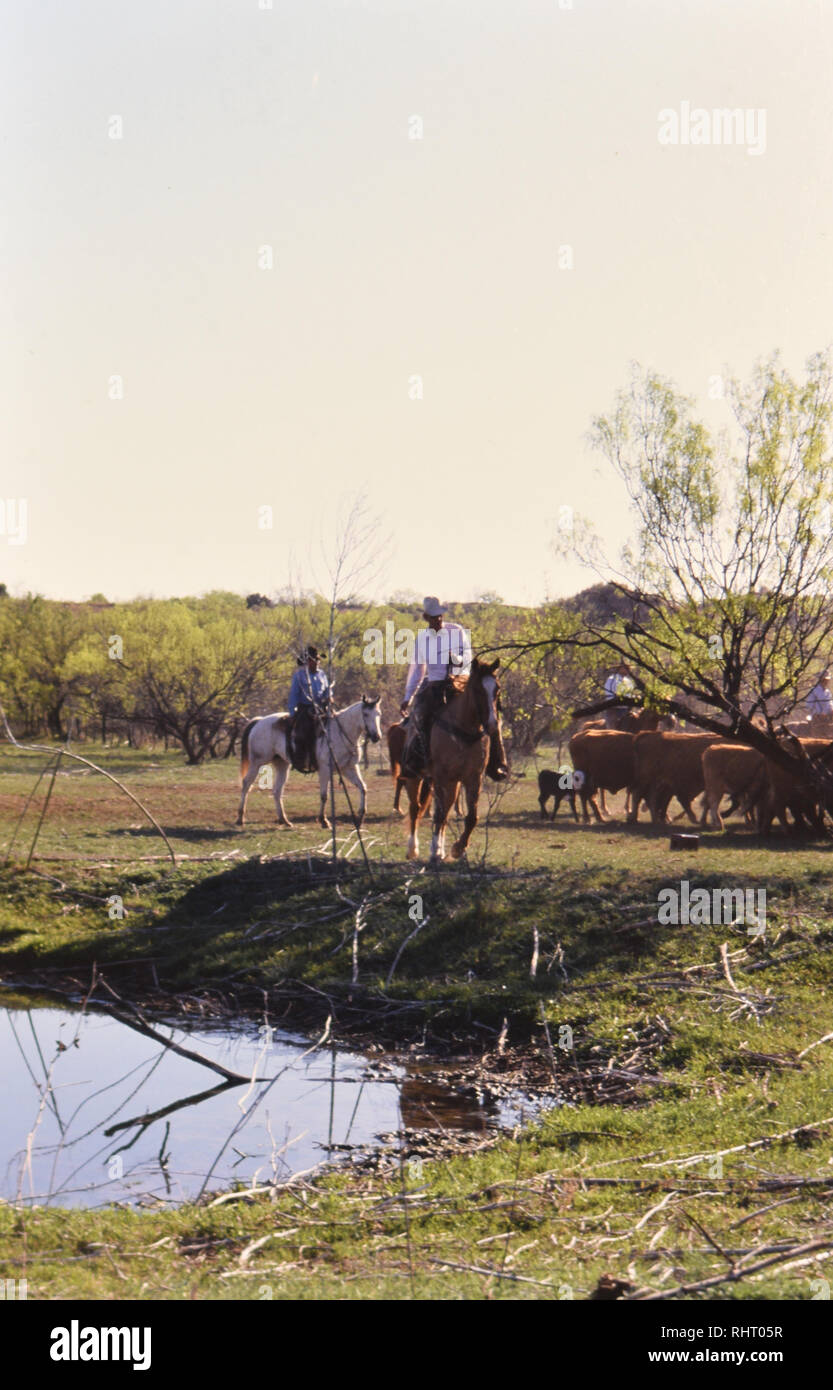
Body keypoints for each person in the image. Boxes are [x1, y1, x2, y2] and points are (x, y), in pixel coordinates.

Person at [399, 596, 508, 780]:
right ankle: (418, 760)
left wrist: (455, 660)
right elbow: (417, 669)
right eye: (434, 617)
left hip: (460, 682)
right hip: (434, 685)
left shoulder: (457, 631)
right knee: (420, 716)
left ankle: (496, 762)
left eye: (440, 615)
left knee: (489, 710)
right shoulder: (422, 639)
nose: (438, 619)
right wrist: (407, 696)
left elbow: (468, 657)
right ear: (426, 617)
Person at [288, 646, 330, 772]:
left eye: (318, 660)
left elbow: (327, 690)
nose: (317, 663)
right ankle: (303, 759)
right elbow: (293, 695)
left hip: (322, 708)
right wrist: (292, 713)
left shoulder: (322, 675)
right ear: (307, 662)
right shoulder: (299, 676)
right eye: (314, 660)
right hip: (305, 709)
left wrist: (329, 697)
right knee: (306, 731)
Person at [603, 663, 635, 729]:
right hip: (614, 709)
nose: (627, 670)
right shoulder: (612, 679)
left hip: (625, 709)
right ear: (619, 668)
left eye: (628, 668)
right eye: (625, 668)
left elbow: (630, 694)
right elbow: (609, 694)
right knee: (613, 728)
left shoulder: (628, 681)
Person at [806, 669, 833, 736]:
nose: (826, 681)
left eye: (827, 680)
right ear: (821, 680)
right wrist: (817, 713)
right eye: (825, 680)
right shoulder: (814, 691)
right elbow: (809, 705)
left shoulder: (827, 692)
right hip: (817, 718)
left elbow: (830, 705)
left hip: (827, 719)